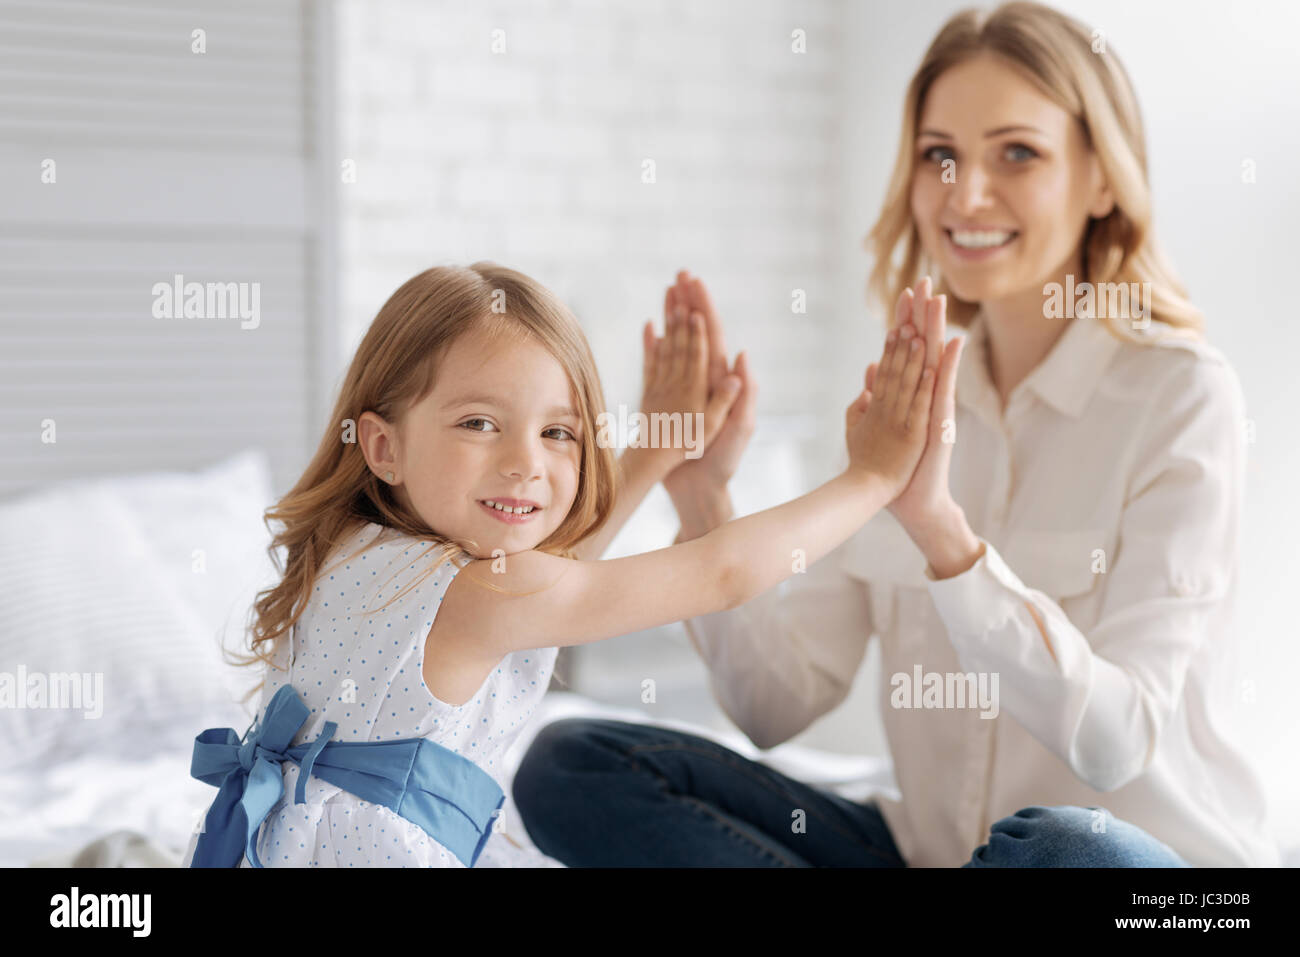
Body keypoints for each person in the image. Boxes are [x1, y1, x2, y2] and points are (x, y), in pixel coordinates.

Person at [511, 1, 1279, 867]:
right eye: (938, 156)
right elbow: (779, 703)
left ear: (1103, 179)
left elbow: (1116, 742)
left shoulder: (1182, 394)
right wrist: (702, 496)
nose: (965, 194)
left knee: (1070, 847)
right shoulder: (902, 408)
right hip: (933, 853)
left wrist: (943, 538)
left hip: (1154, 883)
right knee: (572, 763)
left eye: (1016, 153)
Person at [183, 258, 954, 867]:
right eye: (480, 422)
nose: (526, 463)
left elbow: (544, 579)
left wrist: (651, 453)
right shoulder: (482, 593)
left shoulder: (356, 549)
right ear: (384, 446)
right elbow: (720, 572)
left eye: (559, 433)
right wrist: (871, 479)